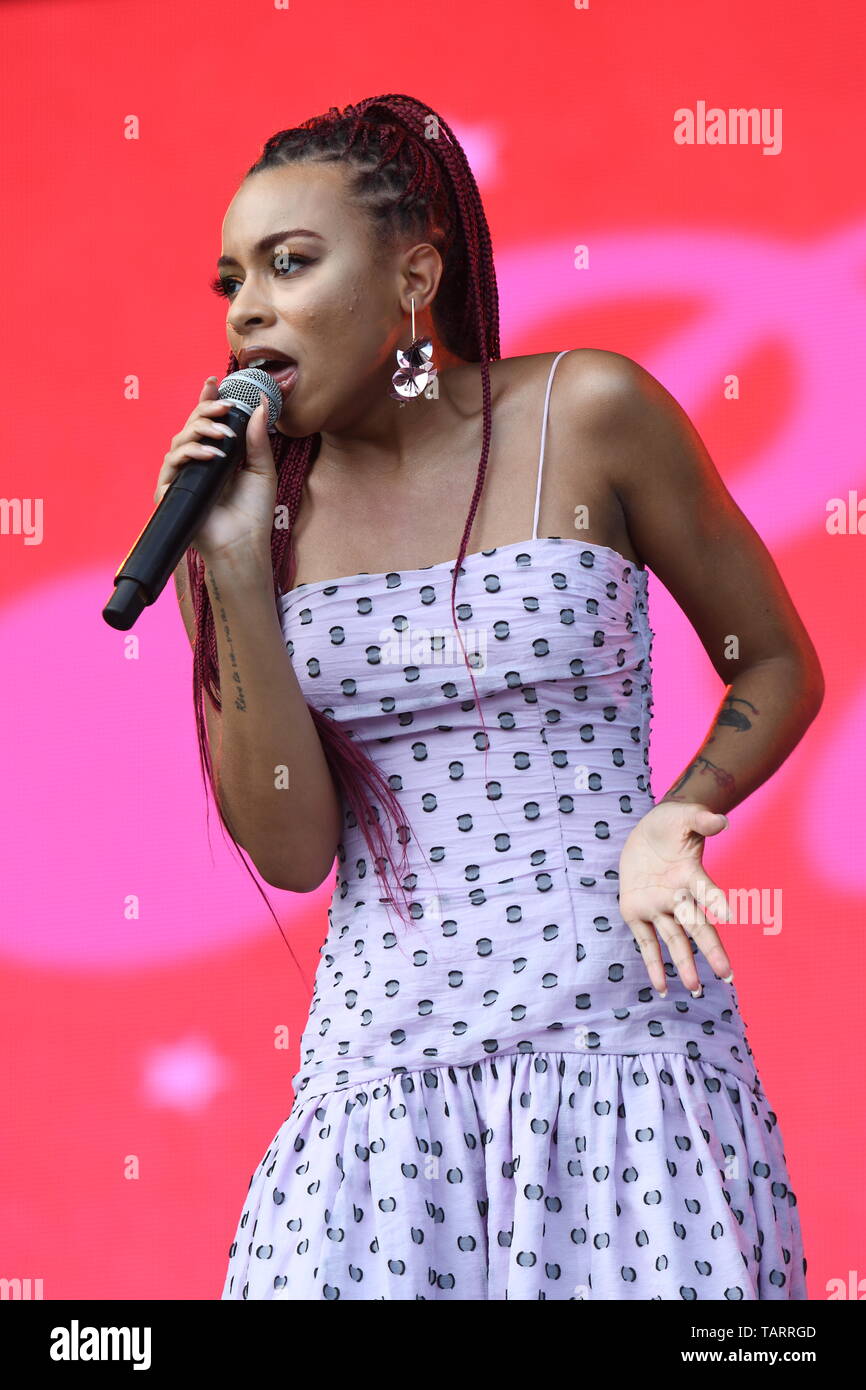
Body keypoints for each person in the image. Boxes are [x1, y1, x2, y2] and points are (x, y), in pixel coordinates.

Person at [160, 95, 823, 1300]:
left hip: (622, 1051)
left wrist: (678, 813)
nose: (247, 305)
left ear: (414, 271)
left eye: (288, 263)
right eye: (229, 281)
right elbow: (292, 848)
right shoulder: (242, 527)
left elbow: (772, 660)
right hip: (383, 1085)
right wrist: (235, 570)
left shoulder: (587, 410)